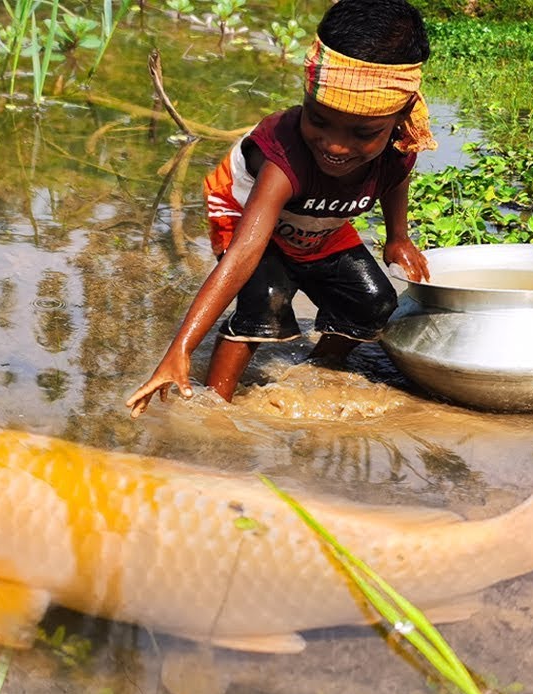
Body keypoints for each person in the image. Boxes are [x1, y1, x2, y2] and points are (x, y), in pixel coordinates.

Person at [126, 0, 436, 418]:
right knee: (265, 298)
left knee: (374, 301)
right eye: (319, 120)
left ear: (400, 119)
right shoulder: (284, 158)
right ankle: (214, 406)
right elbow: (243, 254)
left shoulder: (400, 146)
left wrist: (398, 237)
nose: (335, 145)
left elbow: (396, 179)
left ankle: (321, 368)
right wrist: (179, 349)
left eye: (363, 133)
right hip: (244, 214)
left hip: (316, 222)